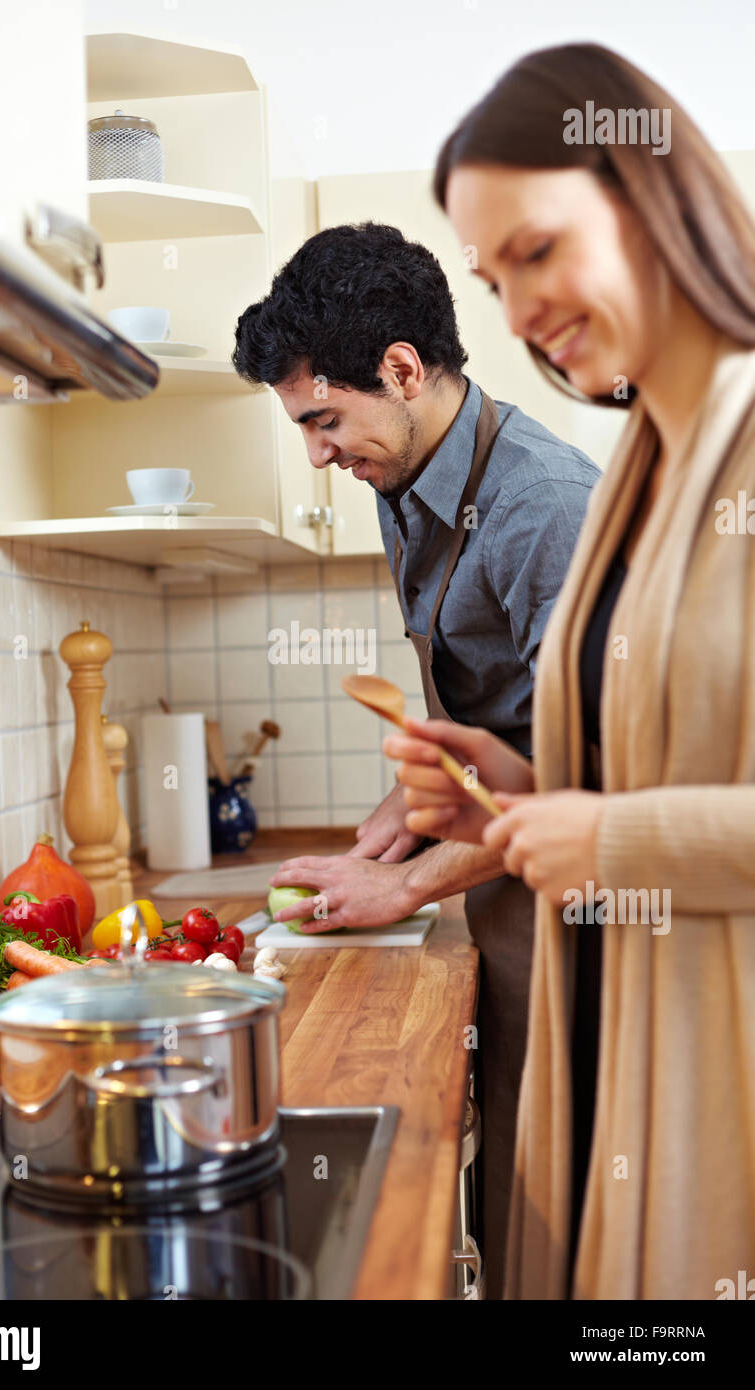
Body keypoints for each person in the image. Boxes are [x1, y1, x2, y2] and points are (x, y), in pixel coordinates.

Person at [385, 42, 755, 1300]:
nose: (517, 309)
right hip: (606, 1056)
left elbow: (642, 829)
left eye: (536, 251)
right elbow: (656, 761)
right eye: (493, 278)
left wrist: (615, 844)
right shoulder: (639, 468)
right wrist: (512, 776)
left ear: (648, 190)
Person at [232, 223, 600, 1297]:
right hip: (503, 891)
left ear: (400, 369)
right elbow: (497, 701)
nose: (314, 452)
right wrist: (409, 798)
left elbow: (586, 773)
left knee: (560, 1211)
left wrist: (400, 882)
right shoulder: (407, 479)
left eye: (322, 419)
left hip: (586, 913)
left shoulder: (547, 513)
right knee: (506, 1195)